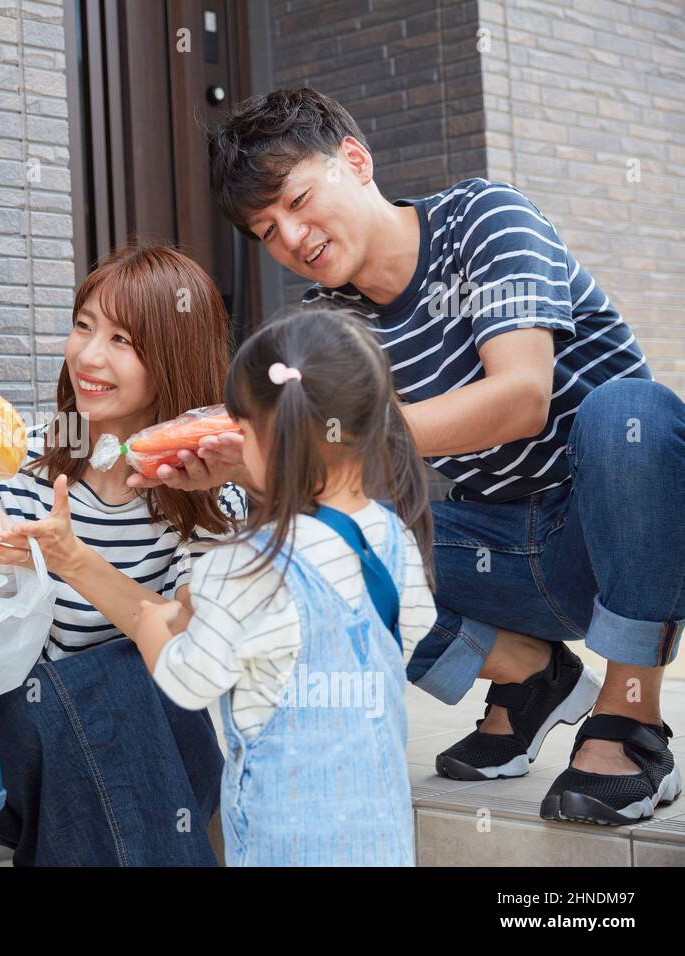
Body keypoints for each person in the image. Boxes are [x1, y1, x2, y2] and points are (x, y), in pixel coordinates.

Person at [151, 86, 682, 825]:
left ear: (356, 160)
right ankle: (529, 676)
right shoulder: (325, 322)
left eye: (300, 201)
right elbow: (321, 477)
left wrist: (333, 431)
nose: (294, 237)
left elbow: (522, 396)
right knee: (321, 548)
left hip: (620, 533)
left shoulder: (485, 219)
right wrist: (245, 465)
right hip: (499, 545)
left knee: (632, 413)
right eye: (268, 230)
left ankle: (631, 722)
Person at [0, 242, 245, 865]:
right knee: (90, 681)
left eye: (122, 340)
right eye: (83, 326)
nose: (89, 356)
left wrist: (72, 561)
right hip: (15, 762)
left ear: (175, 358)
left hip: (166, 754)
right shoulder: (12, 460)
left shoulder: (209, 493)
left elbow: (199, 648)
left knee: (125, 670)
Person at [134, 305, 438, 865]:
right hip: (382, 840)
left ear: (267, 436)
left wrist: (150, 625)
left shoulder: (244, 563)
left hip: (284, 843)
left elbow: (191, 683)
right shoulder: (392, 535)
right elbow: (411, 635)